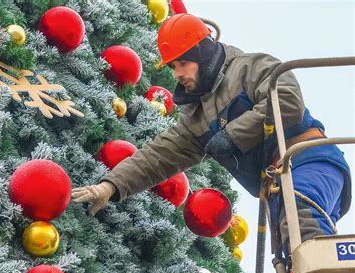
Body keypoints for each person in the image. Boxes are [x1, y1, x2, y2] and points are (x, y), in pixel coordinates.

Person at [71, 14, 351, 260]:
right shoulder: (197, 118)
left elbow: (287, 102)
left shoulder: (250, 68)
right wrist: (109, 186)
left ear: (203, 54)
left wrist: (232, 136)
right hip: (278, 184)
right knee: (293, 255)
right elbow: (158, 156)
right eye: (173, 67)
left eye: (183, 63)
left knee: (302, 222)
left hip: (309, 160)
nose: (178, 74)